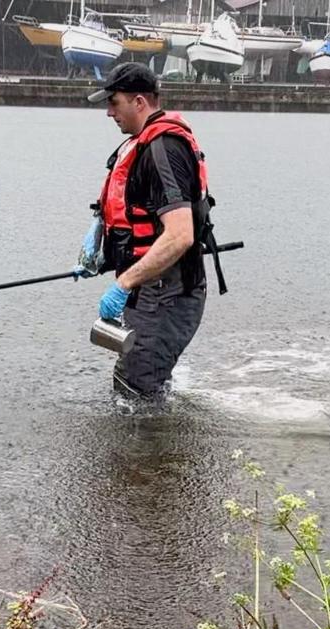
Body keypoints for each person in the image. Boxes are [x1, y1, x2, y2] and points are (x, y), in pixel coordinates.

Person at [74, 62, 225, 401]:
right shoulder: (140, 144)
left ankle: (150, 449)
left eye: (114, 102)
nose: (109, 112)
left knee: (134, 390)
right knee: (143, 385)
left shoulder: (163, 150)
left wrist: (123, 283)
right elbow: (132, 212)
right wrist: (98, 250)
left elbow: (180, 234)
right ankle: (159, 450)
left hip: (167, 296)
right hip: (149, 292)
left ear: (139, 102)